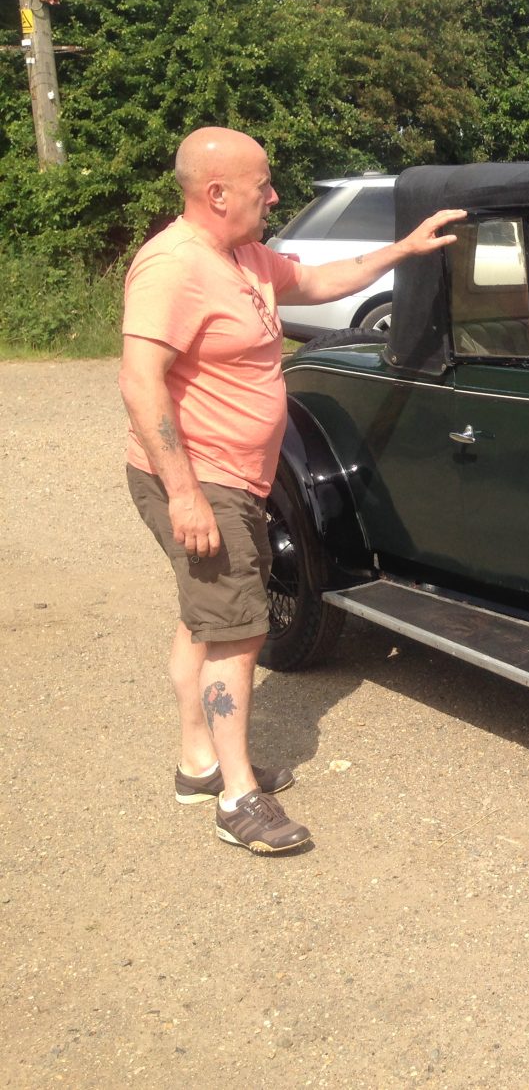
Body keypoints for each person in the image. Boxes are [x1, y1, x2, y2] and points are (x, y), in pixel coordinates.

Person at [119, 126, 464, 854]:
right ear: (217, 195)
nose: (274, 196)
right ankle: (239, 797)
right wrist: (184, 494)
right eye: (262, 186)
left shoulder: (243, 257)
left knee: (204, 616)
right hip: (199, 477)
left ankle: (199, 763)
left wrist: (403, 251)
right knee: (238, 627)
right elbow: (139, 380)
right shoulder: (172, 267)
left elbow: (315, 283)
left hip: (235, 475)